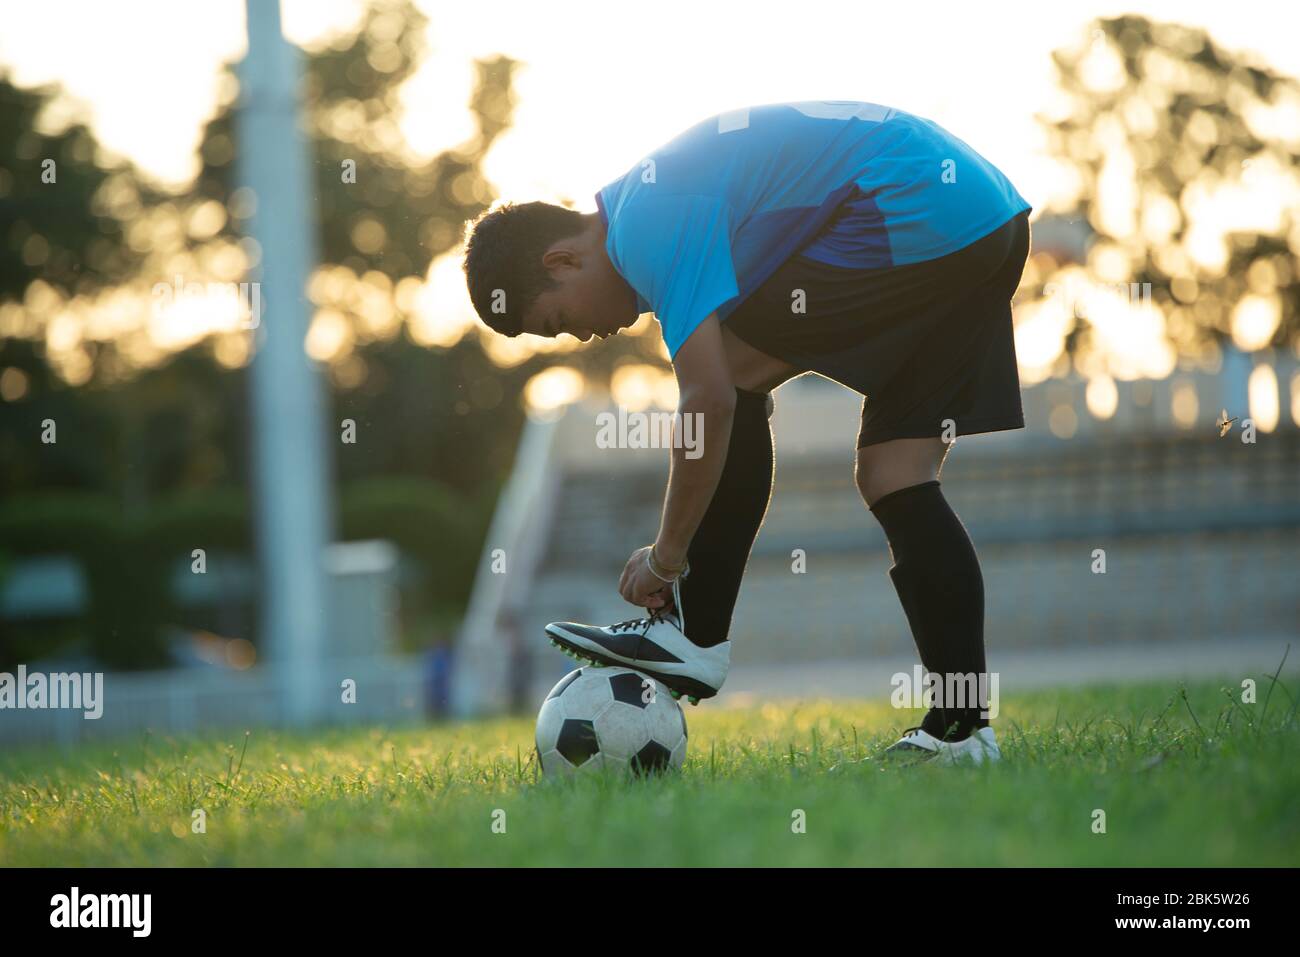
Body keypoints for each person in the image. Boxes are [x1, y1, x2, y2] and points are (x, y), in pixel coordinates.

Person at [462, 101, 1031, 764]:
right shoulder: (654, 207)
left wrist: (665, 556)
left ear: (562, 260)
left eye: (560, 319)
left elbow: (710, 400)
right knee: (894, 475)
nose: (582, 335)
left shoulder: (643, 223)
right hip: (983, 221)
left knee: (727, 374)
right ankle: (963, 731)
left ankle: (697, 638)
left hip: (916, 205)